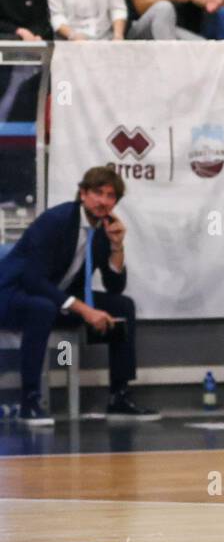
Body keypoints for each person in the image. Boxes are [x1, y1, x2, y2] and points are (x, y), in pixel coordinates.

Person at [0, 164, 157, 425]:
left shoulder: (103, 231)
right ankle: (29, 402)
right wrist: (85, 310)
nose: (104, 201)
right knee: (42, 307)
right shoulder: (56, 220)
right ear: (83, 194)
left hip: (52, 297)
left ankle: (119, 398)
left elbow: (114, 286)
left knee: (122, 306)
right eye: (98, 193)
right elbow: (33, 279)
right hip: (12, 294)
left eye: (110, 196)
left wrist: (117, 247)